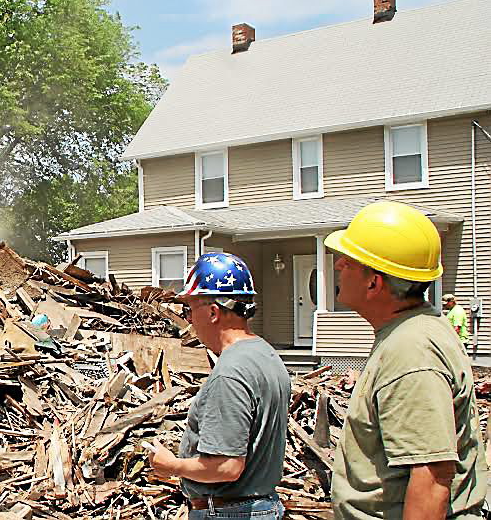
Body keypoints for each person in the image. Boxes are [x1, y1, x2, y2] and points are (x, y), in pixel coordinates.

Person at [327, 201, 486, 519]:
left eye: (350, 261)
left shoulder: (411, 351)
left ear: (374, 282)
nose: (338, 265)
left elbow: (431, 478)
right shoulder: (410, 332)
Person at [148, 252, 290, 520]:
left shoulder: (230, 373)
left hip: (230, 512)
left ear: (213, 312)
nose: (188, 319)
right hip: (259, 507)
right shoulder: (266, 354)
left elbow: (226, 466)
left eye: (189, 310)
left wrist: (172, 465)